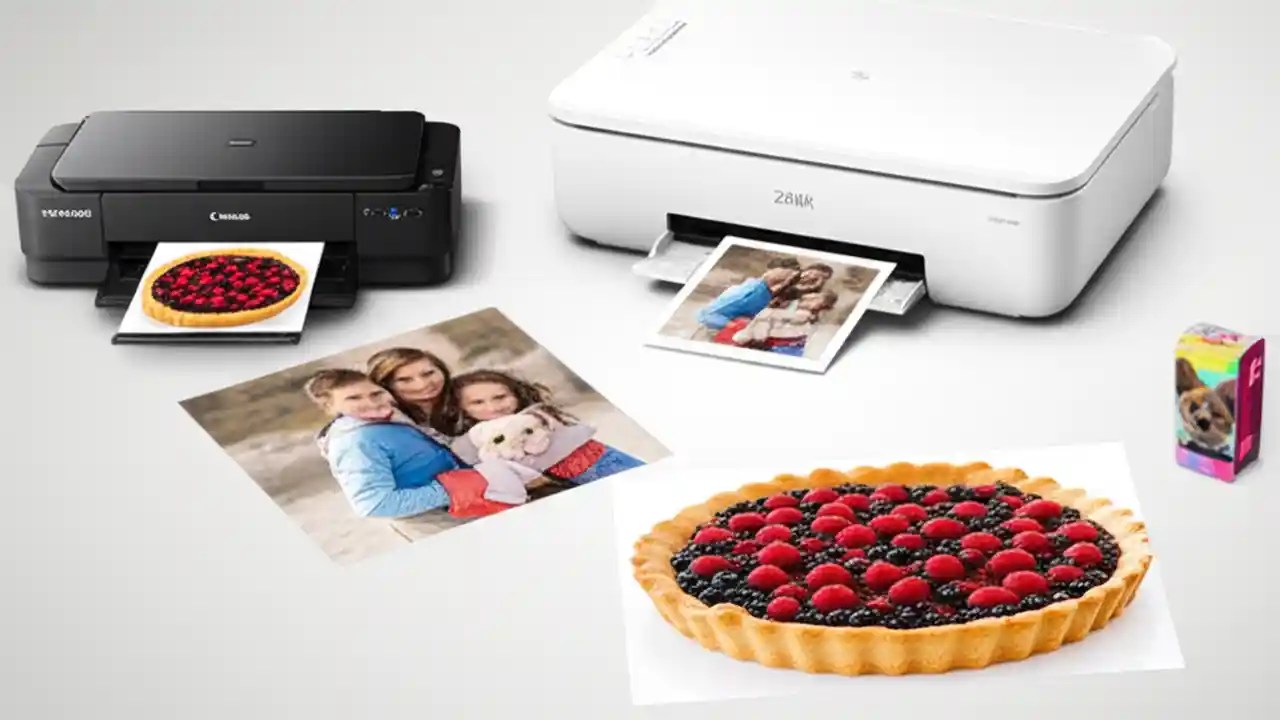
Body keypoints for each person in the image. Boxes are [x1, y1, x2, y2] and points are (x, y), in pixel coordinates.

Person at [305, 369, 528, 519]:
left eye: (375, 393)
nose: (370, 402)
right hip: (433, 522)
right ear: (330, 408)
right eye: (353, 399)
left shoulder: (390, 419)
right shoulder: (355, 442)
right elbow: (373, 505)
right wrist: (456, 486)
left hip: (465, 505)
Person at [445, 369, 645, 485]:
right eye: (478, 403)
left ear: (515, 395)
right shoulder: (480, 436)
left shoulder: (536, 415)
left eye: (500, 397)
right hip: (566, 479)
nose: (493, 407)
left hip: (601, 458)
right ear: (462, 409)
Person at [695, 258, 800, 340]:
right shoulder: (750, 291)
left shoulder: (765, 292)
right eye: (784, 277)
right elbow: (707, 315)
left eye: (790, 280)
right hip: (713, 332)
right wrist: (735, 325)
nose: (786, 282)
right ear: (771, 270)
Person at [366, 347, 456, 437]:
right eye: (405, 380)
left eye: (428, 373)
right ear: (384, 385)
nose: (422, 385)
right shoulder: (386, 424)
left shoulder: (464, 395)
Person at [732, 289, 838, 356]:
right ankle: (748, 337)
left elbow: (774, 316)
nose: (809, 299)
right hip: (772, 341)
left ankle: (747, 337)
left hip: (781, 346)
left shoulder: (806, 315)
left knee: (766, 315)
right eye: (812, 297)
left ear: (822, 305)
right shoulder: (796, 308)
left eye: (815, 299)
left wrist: (769, 313)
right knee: (765, 317)